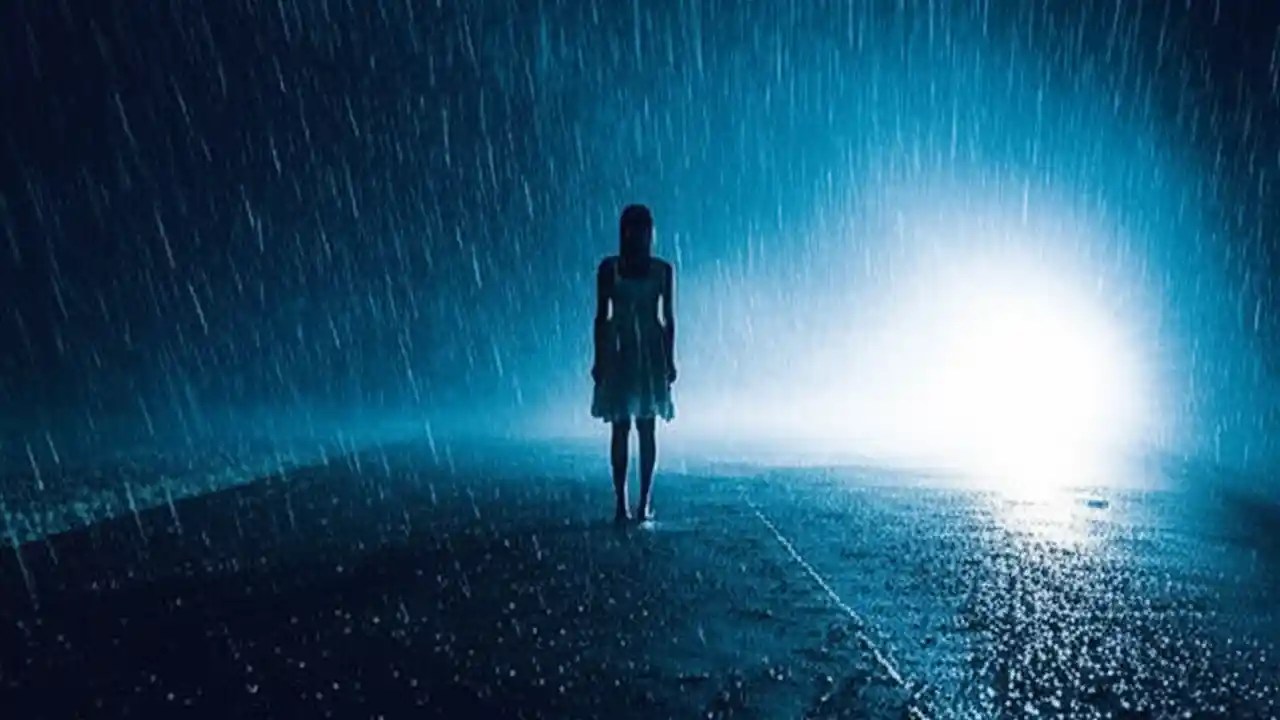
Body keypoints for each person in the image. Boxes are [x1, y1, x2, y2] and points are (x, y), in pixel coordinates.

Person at [591, 204, 676, 523]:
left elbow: (669, 320)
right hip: (623, 347)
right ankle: (624, 503)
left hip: (642, 348)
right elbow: (600, 318)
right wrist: (599, 358)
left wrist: (670, 359)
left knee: (644, 425)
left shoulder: (661, 270)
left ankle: (641, 502)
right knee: (622, 425)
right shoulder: (610, 268)